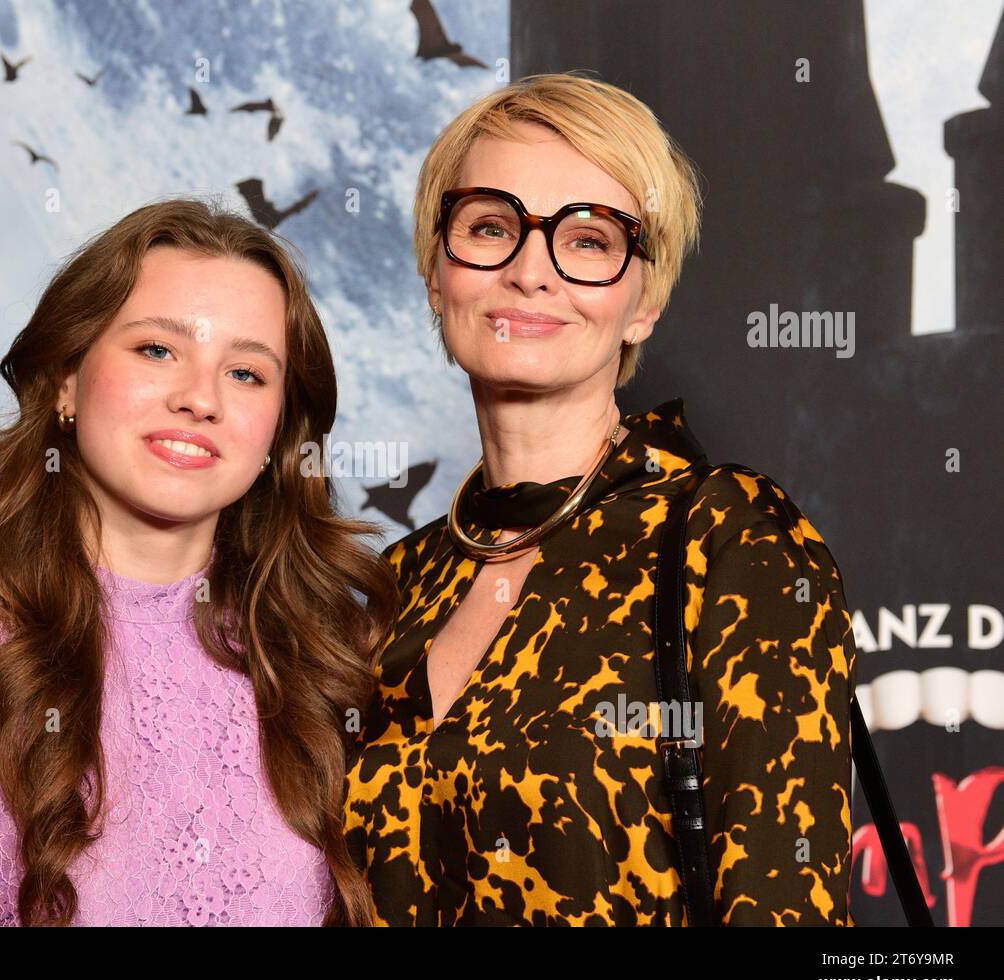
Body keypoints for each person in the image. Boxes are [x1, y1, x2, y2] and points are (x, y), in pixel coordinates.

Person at [0, 199, 396, 926]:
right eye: (157, 349)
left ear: (278, 432)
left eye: (247, 373)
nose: (200, 397)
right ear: (67, 378)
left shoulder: (321, 667)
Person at [343, 72, 858, 926]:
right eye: (491, 227)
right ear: (437, 275)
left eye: (587, 239)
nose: (529, 272)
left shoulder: (728, 539)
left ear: (644, 300)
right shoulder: (387, 587)